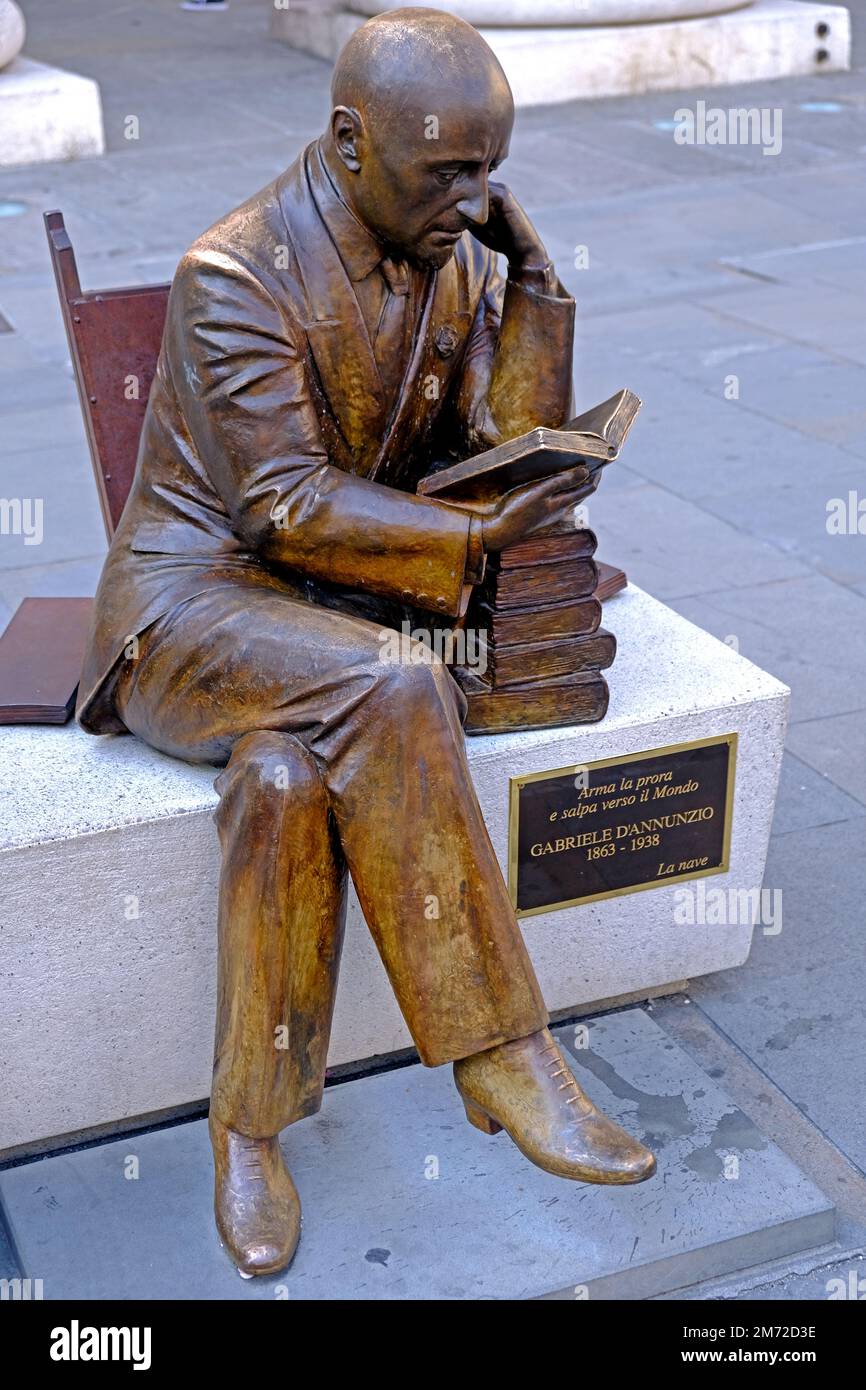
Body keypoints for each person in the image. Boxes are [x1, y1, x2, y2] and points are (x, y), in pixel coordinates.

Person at [76, 7, 655, 1278]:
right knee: (398, 688)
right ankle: (503, 1053)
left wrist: (536, 294)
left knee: (282, 785)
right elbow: (278, 501)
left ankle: (248, 1128)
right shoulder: (231, 274)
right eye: (450, 169)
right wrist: (465, 548)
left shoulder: (446, 253)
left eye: (490, 169)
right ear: (347, 141)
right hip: (191, 615)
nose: (476, 195)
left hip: (321, 620)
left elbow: (481, 447)